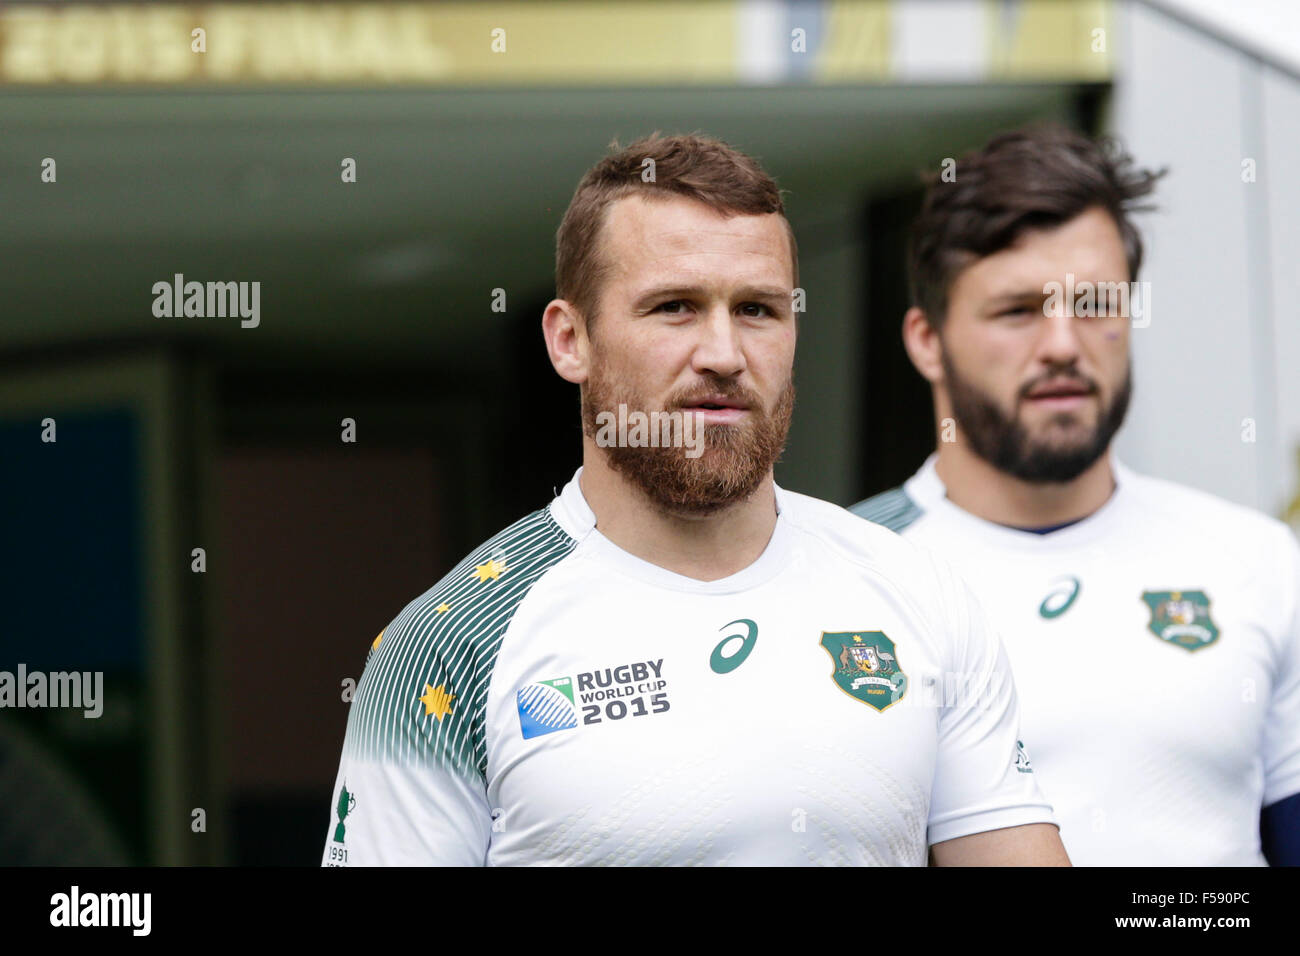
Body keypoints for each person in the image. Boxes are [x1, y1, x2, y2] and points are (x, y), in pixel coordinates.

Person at [322, 132, 1068, 866]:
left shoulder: (919, 592)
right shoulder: (446, 648)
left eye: (757, 310)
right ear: (569, 340)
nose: (723, 355)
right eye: (675, 307)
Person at [850, 124, 1300, 866]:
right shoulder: (851, 573)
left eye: (1093, 303)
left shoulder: (1255, 560)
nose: (1063, 343)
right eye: (1019, 310)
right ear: (926, 339)